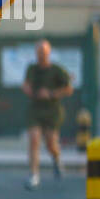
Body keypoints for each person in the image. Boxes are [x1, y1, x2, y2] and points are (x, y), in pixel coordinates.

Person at [22, 39, 72, 189]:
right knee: (34, 139)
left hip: (52, 110)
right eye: (39, 53)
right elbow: (26, 84)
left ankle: (56, 159)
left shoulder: (56, 70)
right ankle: (33, 174)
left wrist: (51, 93)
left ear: (48, 53)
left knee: (51, 142)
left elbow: (68, 89)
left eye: (44, 52)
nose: (41, 55)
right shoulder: (32, 68)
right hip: (36, 109)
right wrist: (28, 89)